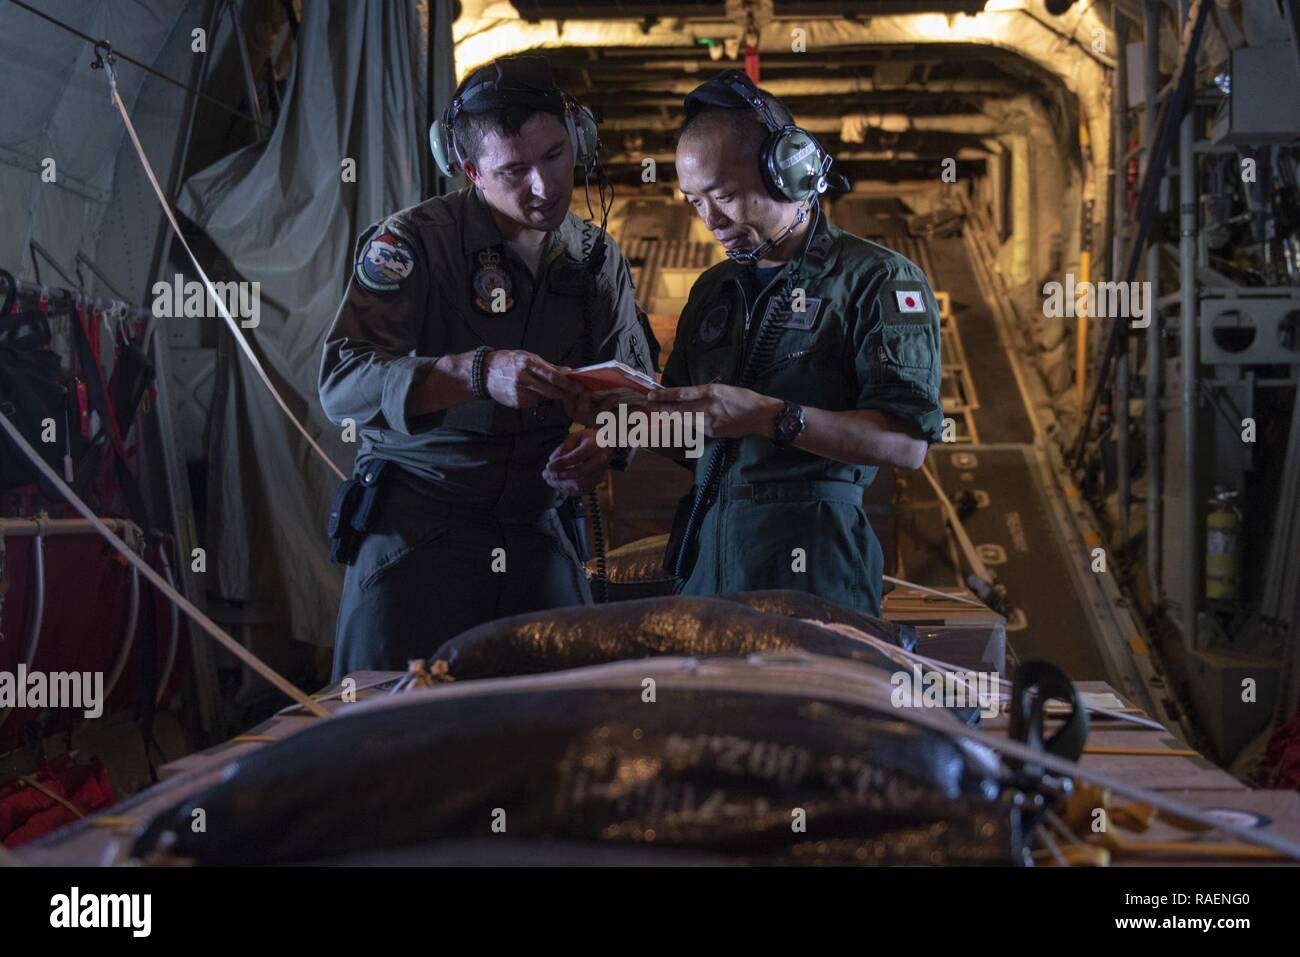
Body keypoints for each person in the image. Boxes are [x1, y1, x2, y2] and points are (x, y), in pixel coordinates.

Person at [318, 55, 652, 679]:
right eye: (514, 171)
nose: (545, 187)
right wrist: (473, 372)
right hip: (420, 530)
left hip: (534, 524)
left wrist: (606, 441)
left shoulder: (595, 258)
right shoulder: (412, 245)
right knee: (389, 733)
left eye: (555, 156)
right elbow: (342, 382)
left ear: (577, 140)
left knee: (563, 721)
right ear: (470, 172)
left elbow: (637, 388)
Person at [646, 71, 944, 618]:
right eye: (694, 202)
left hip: (817, 567)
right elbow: (687, 441)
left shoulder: (878, 280)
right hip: (710, 562)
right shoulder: (714, 290)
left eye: (726, 196)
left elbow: (907, 446)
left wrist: (774, 417)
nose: (711, 220)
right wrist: (616, 415)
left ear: (791, 173)